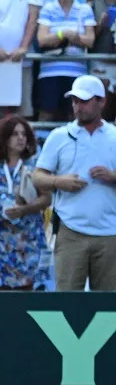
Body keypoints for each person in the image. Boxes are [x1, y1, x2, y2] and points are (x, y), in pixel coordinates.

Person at [32, 74, 116, 291]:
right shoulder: (59, 136)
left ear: (102, 102)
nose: (78, 106)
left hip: (110, 233)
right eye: (75, 101)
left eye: (84, 101)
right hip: (70, 231)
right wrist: (60, 181)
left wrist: (113, 177)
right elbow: (37, 176)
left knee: (109, 305)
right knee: (67, 301)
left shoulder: (114, 137)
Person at [0, 115, 51, 290]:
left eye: (24, 134)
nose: (20, 138)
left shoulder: (35, 166)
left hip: (27, 238)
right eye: (15, 134)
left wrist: (24, 209)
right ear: (4, 137)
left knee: (25, 293)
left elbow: (46, 199)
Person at [35, 0, 97, 121]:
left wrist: (73, 37)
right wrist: (63, 34)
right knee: (47, 113)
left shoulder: (85, 9)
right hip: (50, 72)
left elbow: (90, 40)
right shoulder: (48, 9)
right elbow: (42, 39)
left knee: (75, 114)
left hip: (76, 72)